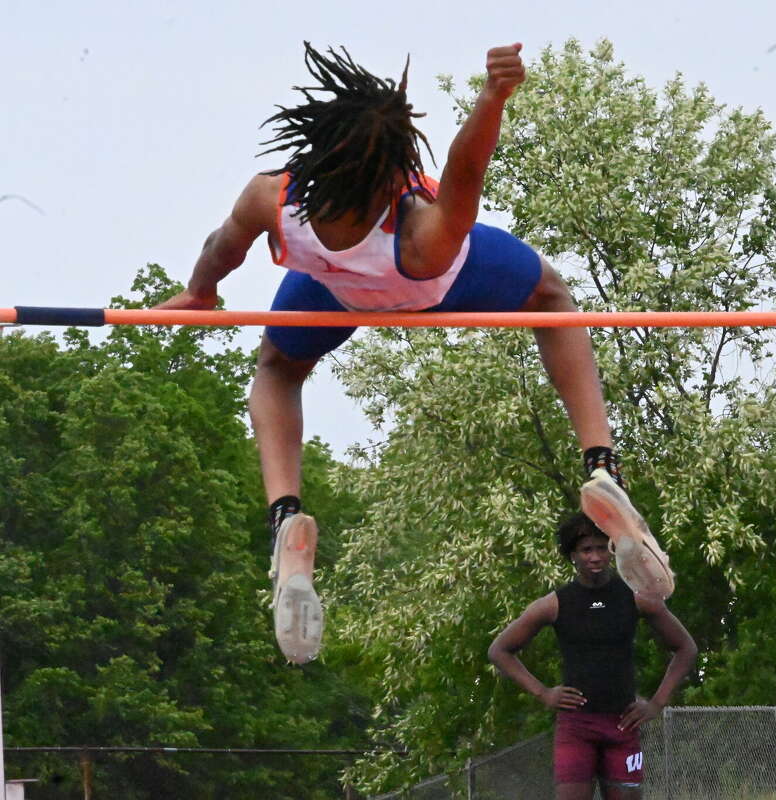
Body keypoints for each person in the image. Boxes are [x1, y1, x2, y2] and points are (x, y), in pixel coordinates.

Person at [152, 42, 668, 664]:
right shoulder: (428, 230)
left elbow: (222, 245)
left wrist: (199, 291)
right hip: (425, 275)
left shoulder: (273, 199)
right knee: (552, 299)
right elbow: (466, 170)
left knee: (278, 370)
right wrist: (491, 99)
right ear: (397, 160)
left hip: (332, 287)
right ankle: (602, 466)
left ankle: (286, 514)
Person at [488, 513, 696, 799]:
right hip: (576, 728)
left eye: (601, 548)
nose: (595, 557)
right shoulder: (554, 604)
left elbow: (686, 648)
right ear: (573, 554)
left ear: (612, 550)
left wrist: (657, 703)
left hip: (623, 724)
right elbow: (499, 650)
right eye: (587, 550)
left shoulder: (637, 597)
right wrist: (544, 693)